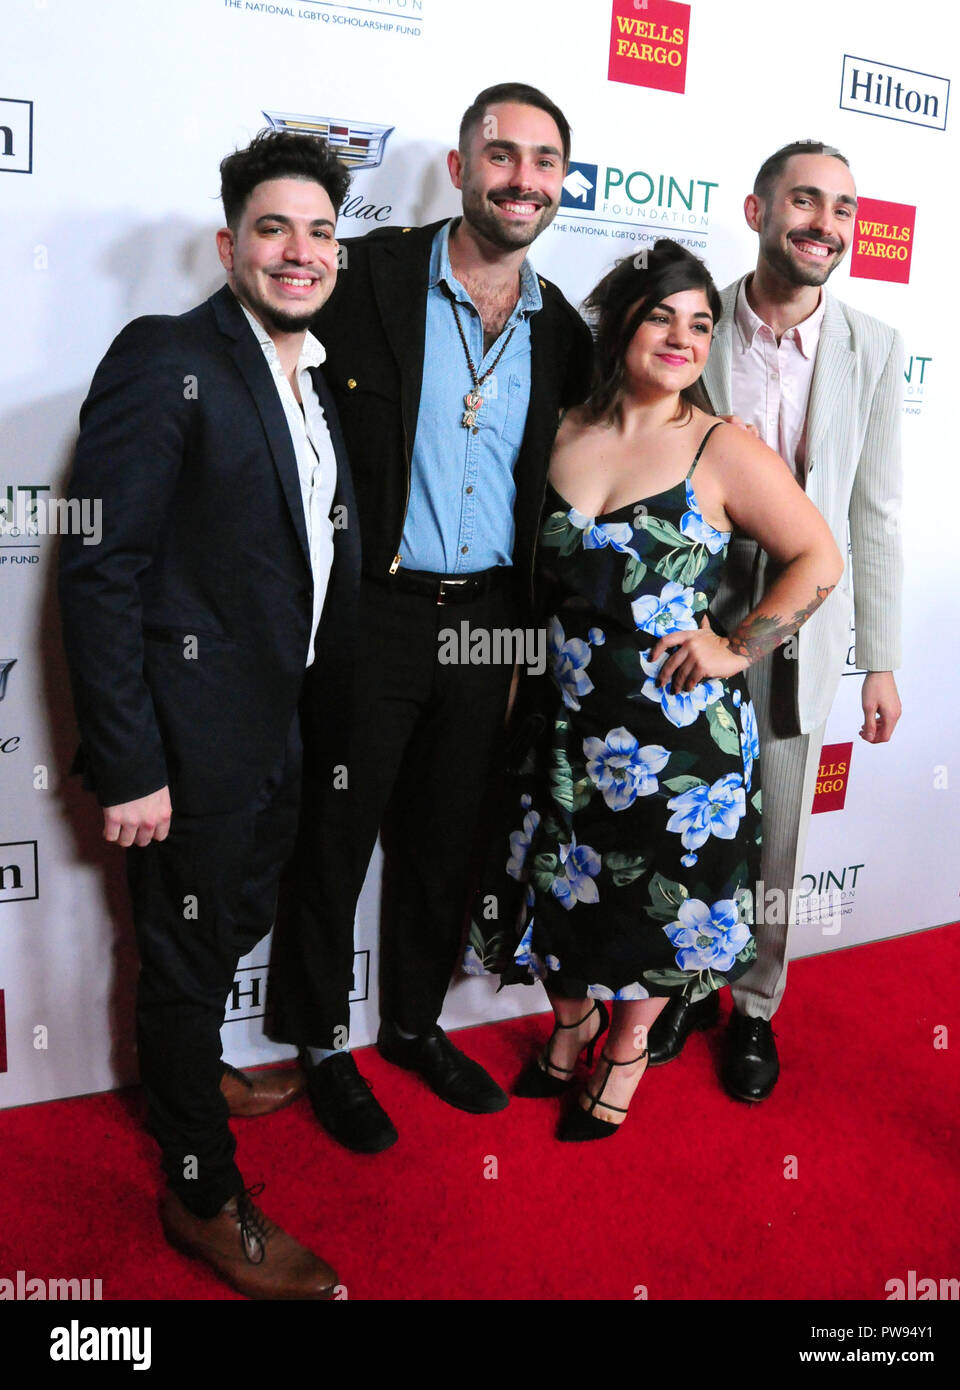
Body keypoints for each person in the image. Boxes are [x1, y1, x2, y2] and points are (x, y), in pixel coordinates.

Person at [58, 130, 360, 1298]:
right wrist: (131, 762)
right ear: (230, 242)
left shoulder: (311, 374)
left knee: (226, 921)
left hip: (274, 724)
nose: (300, 251)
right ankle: (199, 1188)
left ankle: (194, 1069)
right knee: (184, 959)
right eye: (275, 229)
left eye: (321, 231)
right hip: (182, 741)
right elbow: (99, 566)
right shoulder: (166, 355)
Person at [267, 83, 592, 1152]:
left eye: (545, 162)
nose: (523, 180)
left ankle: (410, 1023)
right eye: (503, 155)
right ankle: (318, 1042)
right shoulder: (372, 279)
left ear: (561, 185)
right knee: (337, 834)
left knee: (448, 836)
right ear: (460, 169)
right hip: (374, 606)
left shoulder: (567, 333)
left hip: (493, 620)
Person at [474, 239, 843, 1140]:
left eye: (701, 324)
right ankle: (573, 1023)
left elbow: (818, 559)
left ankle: (629, 1048)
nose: (682, 338)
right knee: (557, 885)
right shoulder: (558, 428)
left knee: (654, 904)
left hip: (675, 742)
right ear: (624, 326)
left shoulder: (721, 447)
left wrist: (732, 646)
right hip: (560, 722)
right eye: (661, 317)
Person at [646, 141, 903, 1101]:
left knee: (780, 837)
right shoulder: (692, 320)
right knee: (681, 820)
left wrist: (879, 657)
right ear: (758, 211)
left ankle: (754, 1005)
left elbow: (874, 512)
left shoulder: (872, 346)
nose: (824, 225)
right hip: (685, 622)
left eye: (841, 209)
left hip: (806, 628)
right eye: (805, 201)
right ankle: (677, 989)